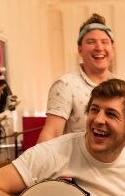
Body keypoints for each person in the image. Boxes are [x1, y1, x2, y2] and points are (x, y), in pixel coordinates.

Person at [37, 13, 114, 143]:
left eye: (104, 42)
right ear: (80, 50)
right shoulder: (65, 85)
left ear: (113, 49)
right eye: (91, 42)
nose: (99, 47)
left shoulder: (120, 87)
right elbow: (51, 134)